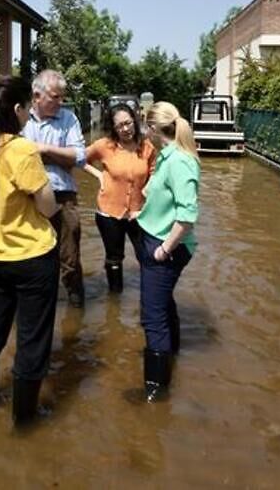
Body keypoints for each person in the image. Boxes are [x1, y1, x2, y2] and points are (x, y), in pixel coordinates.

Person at [0, 75, 60, 426]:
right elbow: (48, 206)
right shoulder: (21, 149)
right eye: (27, 108)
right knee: (32, 341)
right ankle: (24, 425)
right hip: (33, 258)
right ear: (19, 109)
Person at [132, 101, 200, 402]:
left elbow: (187, 215)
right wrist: (144, 213)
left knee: (152, 316)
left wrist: (164, 250)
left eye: (145, 126)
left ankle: (156, 390)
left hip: (166, 247)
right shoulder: (166, 156)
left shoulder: (179, 161)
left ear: (153, 128)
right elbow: (163, 198)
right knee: (163, 306)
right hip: (155, 238)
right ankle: (171, 356)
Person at [22, 70, 88, 308]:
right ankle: (39, 305)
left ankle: (76, 306)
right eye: (54, 97)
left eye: (61, 97)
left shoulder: (68, 118)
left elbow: (80, 157)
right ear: (36, 95)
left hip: (63, 197)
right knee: (31, 257)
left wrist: (42, 149)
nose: (60, 102)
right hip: (27, 198)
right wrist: (59, 155)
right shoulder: (20, 119)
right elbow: (13, 158)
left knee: (69, 257)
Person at [83, 104, 157, 294]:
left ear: (135, 121)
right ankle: (114, 300)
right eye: (119, 126)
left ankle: (149, 296)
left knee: (146, 256)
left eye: (128, 123)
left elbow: (155, 171)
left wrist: (149, 187)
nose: (125, 129)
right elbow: (80, 159)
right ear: (113, 128)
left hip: (139, 213)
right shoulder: (105, 145)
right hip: (109, 213)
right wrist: (99, 175)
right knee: (114, 258)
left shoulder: (146, 147)